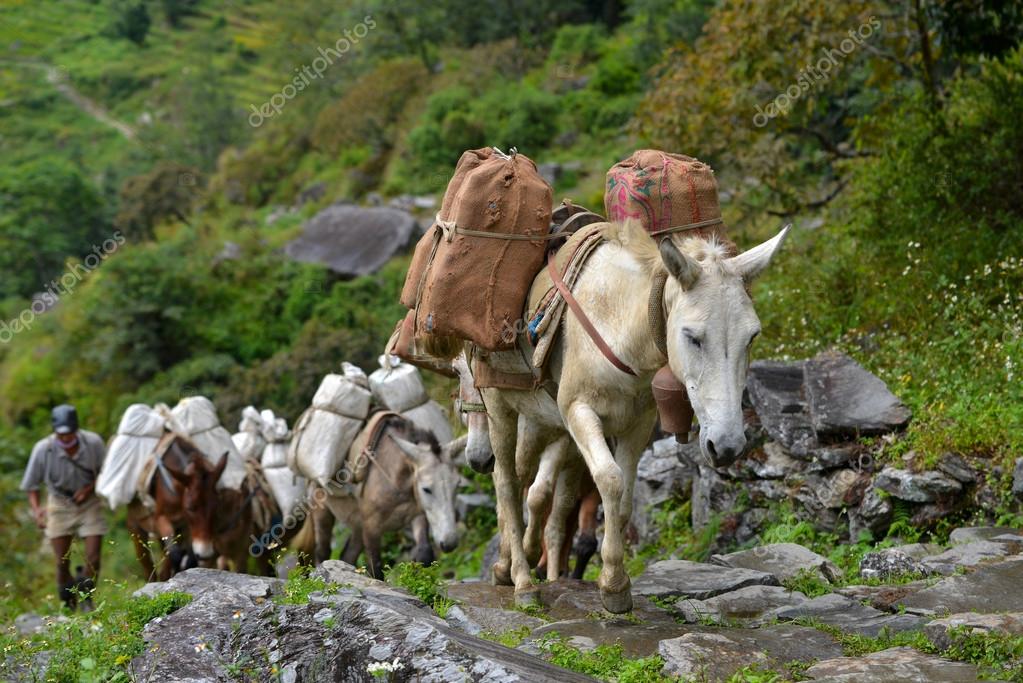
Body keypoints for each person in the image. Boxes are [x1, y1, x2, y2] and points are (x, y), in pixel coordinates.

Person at [20, 404, 108, 611]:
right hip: (59, 503)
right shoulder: (43, 449)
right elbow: (31, 485)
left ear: (76, 429)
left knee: (94, 557)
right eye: (61, 434)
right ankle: (67, 600)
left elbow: (106, 472)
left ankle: (87, 595)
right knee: (62, 561)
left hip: (89, 502)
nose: (66, 439)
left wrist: (88, 489)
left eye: (70, 434)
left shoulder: (93, 443)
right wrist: (36, 510)